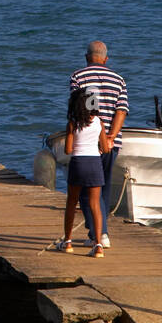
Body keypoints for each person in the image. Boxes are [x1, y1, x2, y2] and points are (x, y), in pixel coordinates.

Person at [70, 40, 128, 250]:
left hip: (88, 142)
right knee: (102, 189)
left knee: (87, 191)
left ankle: (98, 234)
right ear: (106, 59)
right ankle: (100, 234)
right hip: (111, 143)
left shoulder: (78, 76)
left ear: (87, 57)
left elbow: (80, 108)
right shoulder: (119, 79)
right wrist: (111, 136)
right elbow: (121, 110)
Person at [53, 87, 112, 258]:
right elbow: (106, 148)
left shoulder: (72, 124)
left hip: (78, 163)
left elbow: (68, 149)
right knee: (95, 206)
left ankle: (68, 242)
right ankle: (98, 245)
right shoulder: (99, 122)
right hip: (94, 163)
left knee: (71, 203)